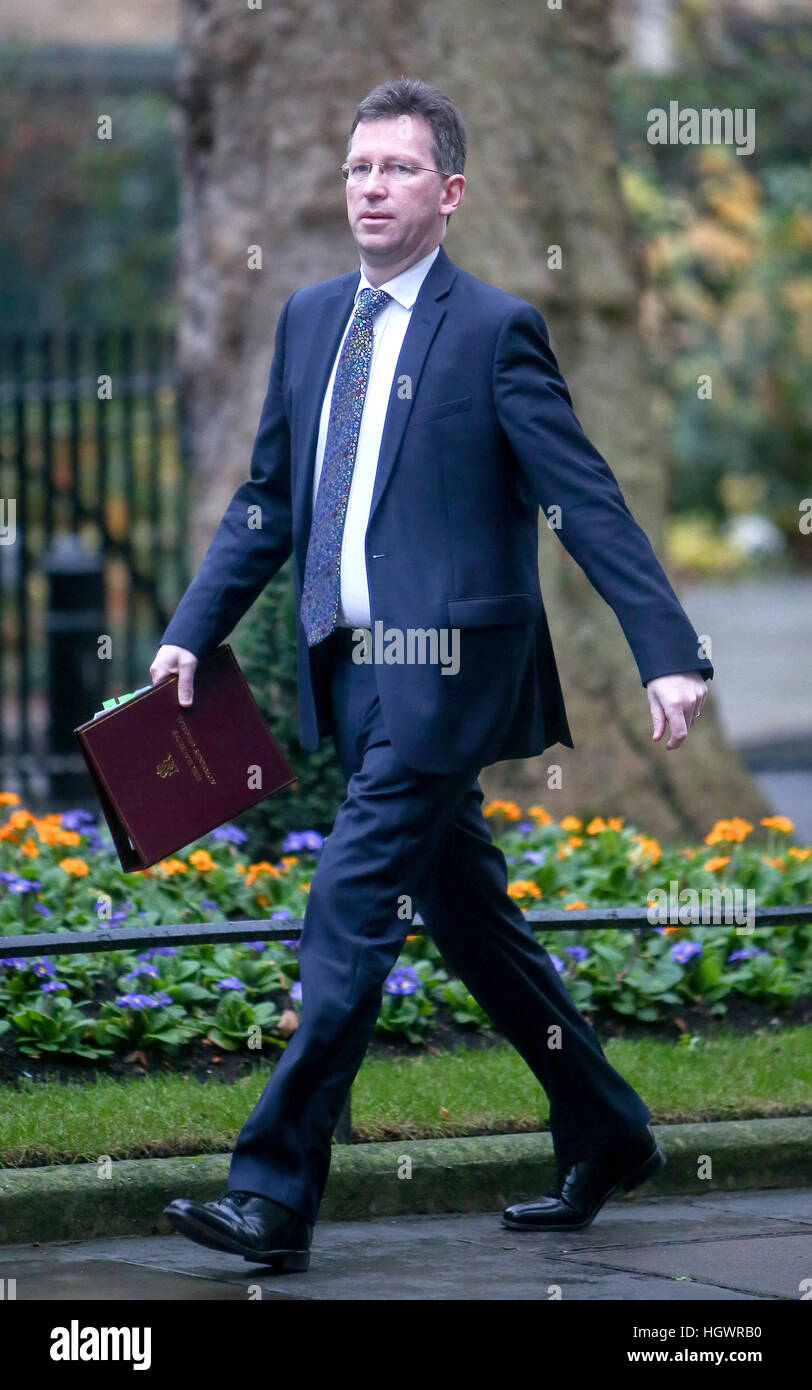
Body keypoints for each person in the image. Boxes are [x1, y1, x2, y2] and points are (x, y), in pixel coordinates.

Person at [153, 77, 712, 1273]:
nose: (370, 187)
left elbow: (583, 497)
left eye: (397, 169)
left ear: (447, 193)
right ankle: (606, 1129)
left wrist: (664, 650)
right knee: (470, 920)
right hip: (346, 672)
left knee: (346, 912)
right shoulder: (309, 321)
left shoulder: (494, 328)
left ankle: (271, 1194)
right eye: (358, 167)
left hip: (445, 673)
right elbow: (265, 501)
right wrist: (193, 631)